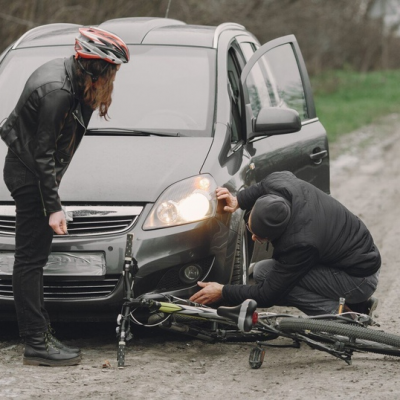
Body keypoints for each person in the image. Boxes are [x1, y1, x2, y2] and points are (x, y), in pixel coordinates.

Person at [0, 27, 130, 366]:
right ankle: (36, 343)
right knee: (30, 260)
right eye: (111, 70)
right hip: (30, 175)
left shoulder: (72, 78)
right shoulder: (57, 90)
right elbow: (42, 154)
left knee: (35, 259)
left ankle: (40, 333)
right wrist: (53, 208)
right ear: (94, 67)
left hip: (34, 171)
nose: (114, 77)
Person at [190, 171, 381, 317]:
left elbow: (268, 295)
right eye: (251, 230)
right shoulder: (281, 183)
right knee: (263, 271)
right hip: (351, 259)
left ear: (280, 232)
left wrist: (223, 291)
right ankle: (357, 305)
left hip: (360, 279)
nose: (254, 239)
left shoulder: (301, 244)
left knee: (276, 280)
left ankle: (342, 318)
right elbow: (262, 187)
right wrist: (237, 200)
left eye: (260, 237)